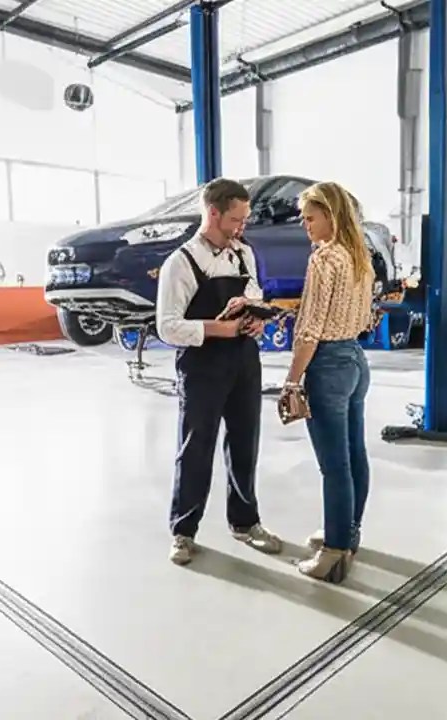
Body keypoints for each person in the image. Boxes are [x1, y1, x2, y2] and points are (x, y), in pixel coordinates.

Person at [155, 177, 285, 566]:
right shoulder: (181, 262)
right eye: (235, 219)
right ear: (213, 213)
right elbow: (167, 326)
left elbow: (256, 296)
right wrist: (218, 328)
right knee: (196, 448)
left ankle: (246, 522)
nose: (242, 227)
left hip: (244, 359)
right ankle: (183, 531)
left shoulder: (243, 254)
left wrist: (255, 320)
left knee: (245, 444)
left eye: (244, 219)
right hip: (202, 365)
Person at [281, 181, 375, 584]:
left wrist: (291, 380)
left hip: (328, 365)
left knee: (333, 465)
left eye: (311, 217)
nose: (305, 225)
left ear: (331, 216)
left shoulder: (324, 259)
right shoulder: (360, 257)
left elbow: (312, 329)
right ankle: (347, 534)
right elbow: (364, 318)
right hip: (356, 360)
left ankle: (333, 553)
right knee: (354, 455)